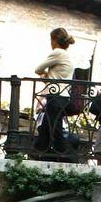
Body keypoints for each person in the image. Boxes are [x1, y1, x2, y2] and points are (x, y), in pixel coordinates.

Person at [33, 27, 77, 158]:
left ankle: (65, 156)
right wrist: (49, 77)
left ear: (55, 40)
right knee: (47, 127)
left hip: (55, 96)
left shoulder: (57, 52)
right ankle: (39, 152)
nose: (50, 43)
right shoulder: (66, 55)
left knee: (55, 130)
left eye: (50, 40)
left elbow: (38, 69)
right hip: (62, 96)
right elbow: (59, 76)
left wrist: (45, 75)